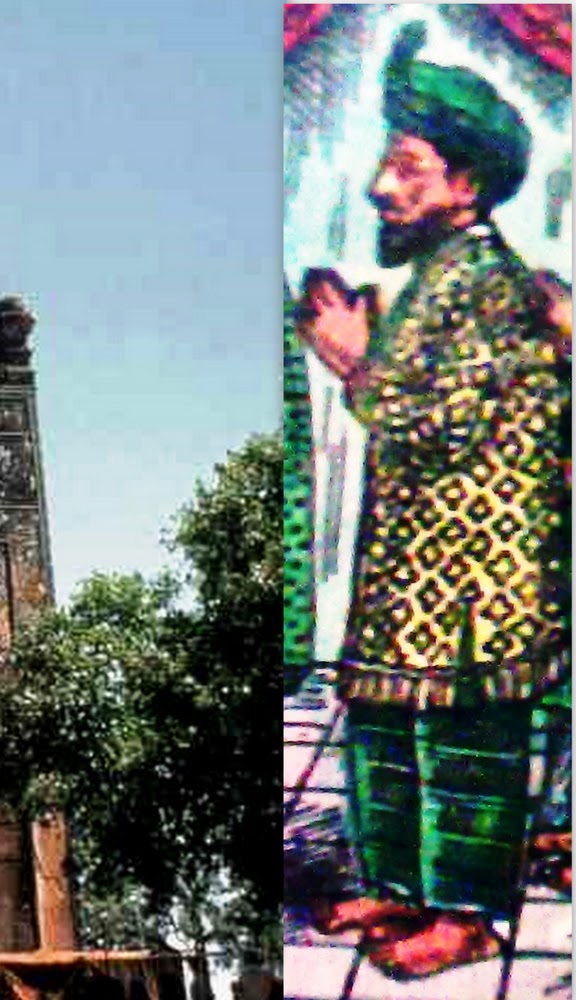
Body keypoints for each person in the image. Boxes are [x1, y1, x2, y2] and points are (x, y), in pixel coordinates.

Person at [295, 21, 570, 980]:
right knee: (382, 724)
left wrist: (353, 359)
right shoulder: (434, 282)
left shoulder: (488, 287)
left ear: (464, 186)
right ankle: (401, 883)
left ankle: (466, 909)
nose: (382, 187)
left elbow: (445, 420)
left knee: (467, 744)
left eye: (406, 169)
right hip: (411, 575)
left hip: (478, 583)